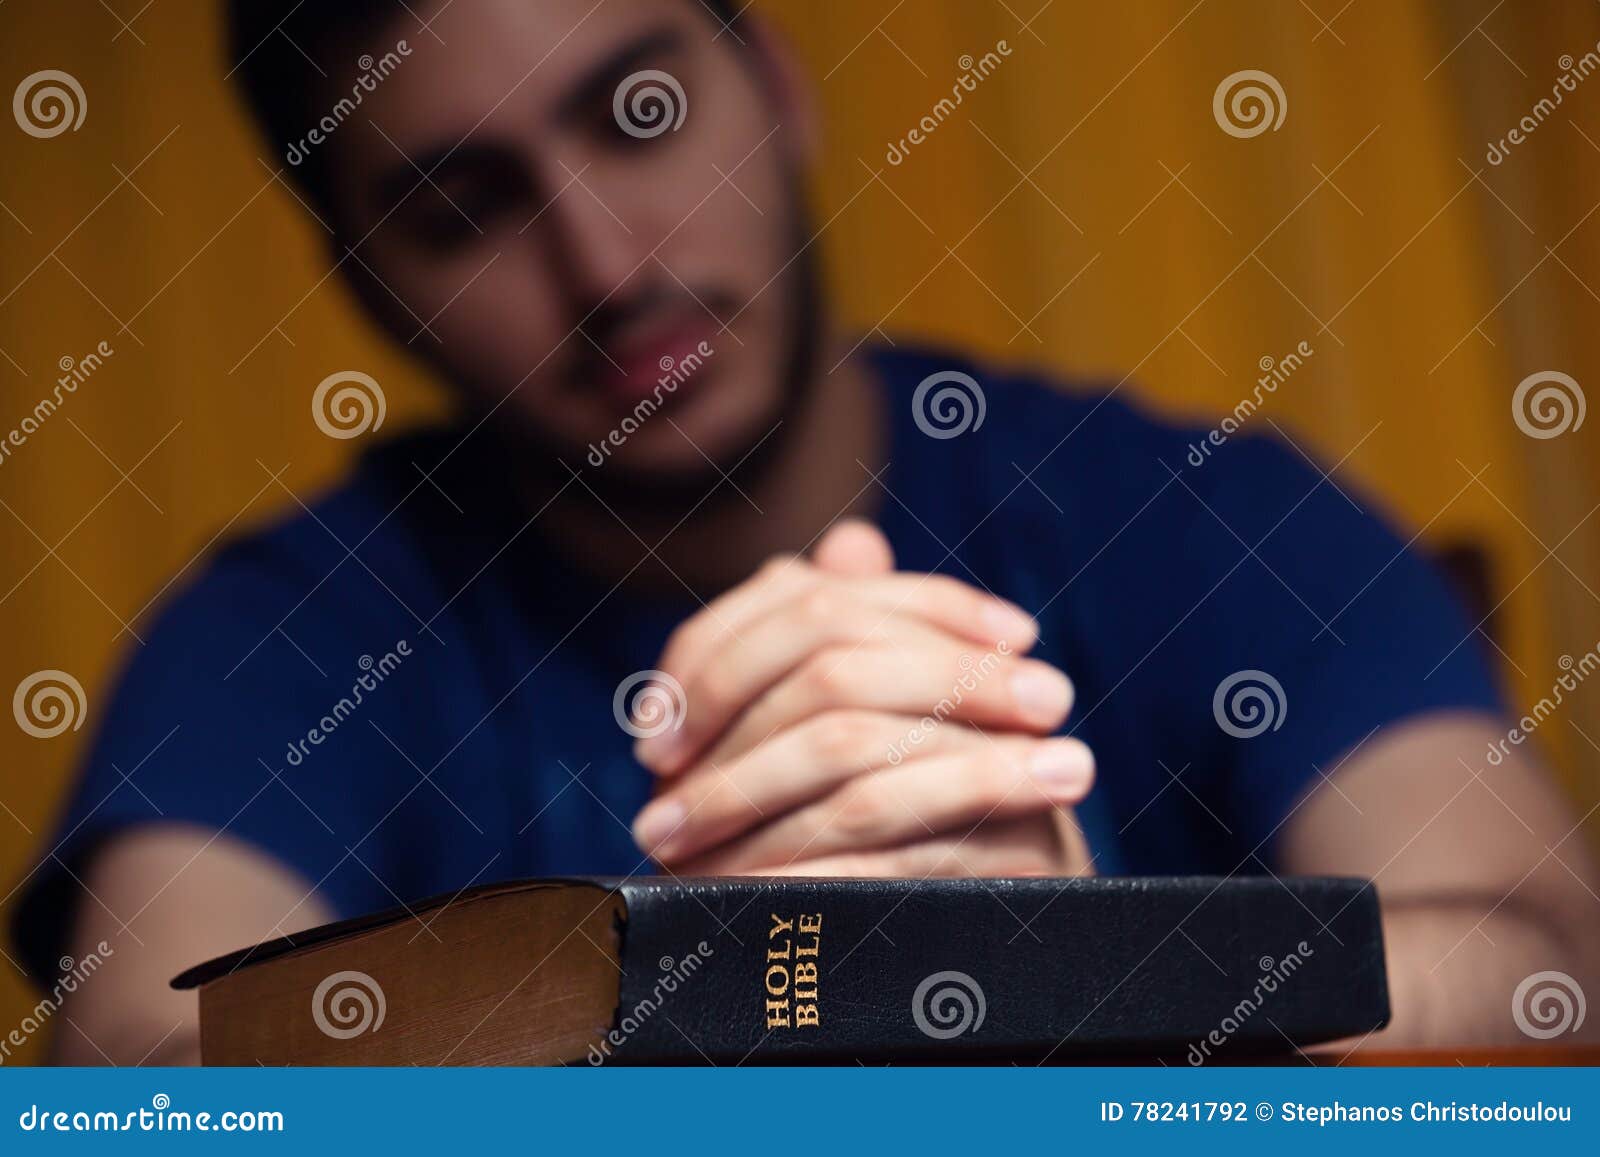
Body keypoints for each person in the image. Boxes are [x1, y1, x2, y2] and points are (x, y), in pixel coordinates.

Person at [12, 0, 1597, 1064]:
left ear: (772, 84)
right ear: (359, 277)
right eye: (462, 205)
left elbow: (1552, 973)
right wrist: (766, 979)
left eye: (635, 112)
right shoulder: (289, 635)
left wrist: (1070, 964)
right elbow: (149, 1074)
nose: (608, 264)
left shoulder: (1195, 515)